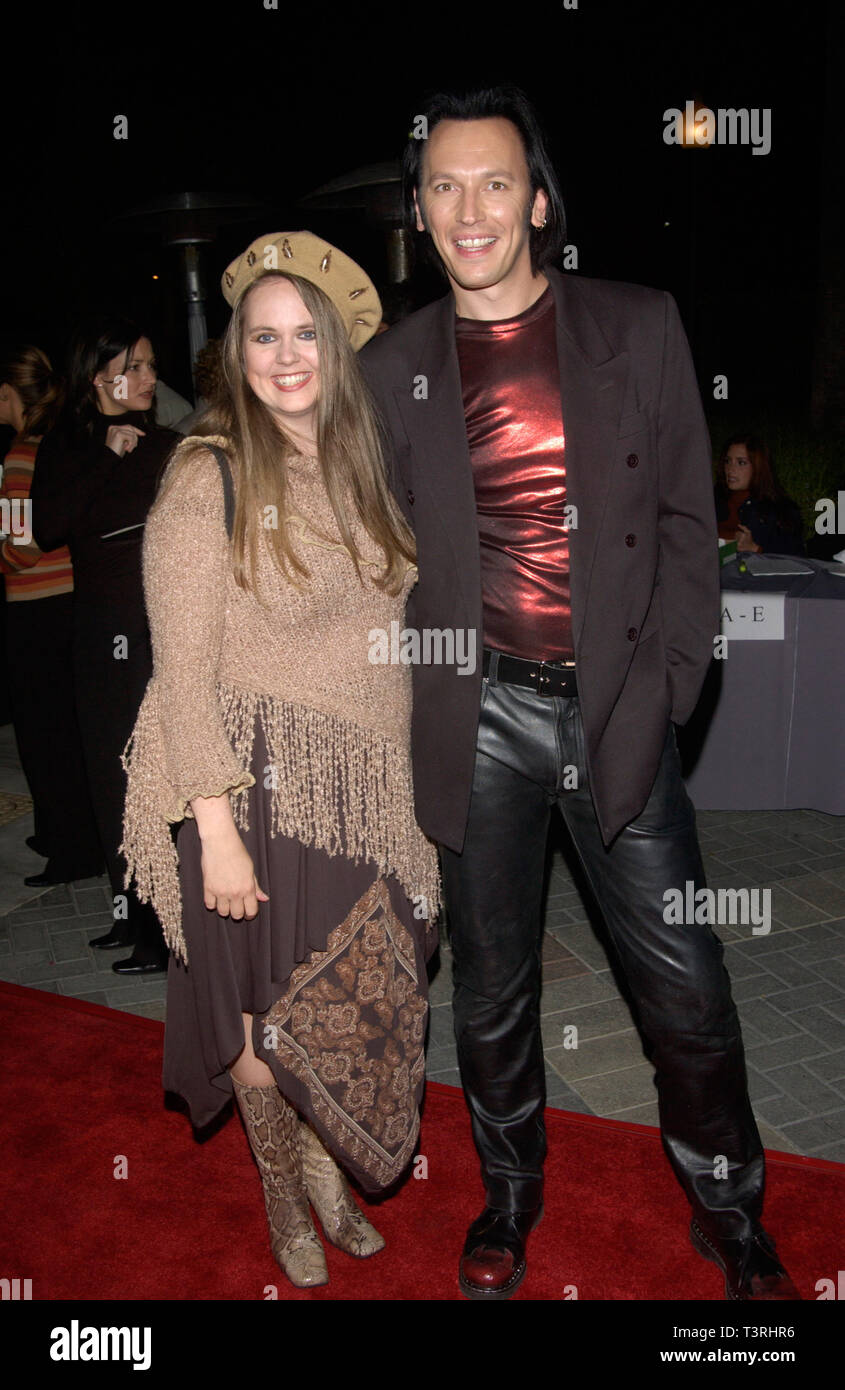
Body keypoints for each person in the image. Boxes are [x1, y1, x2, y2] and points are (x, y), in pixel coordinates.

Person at [359, 85, 799, 1302]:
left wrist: (661, 689)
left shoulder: (636, 323)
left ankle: (728, 1208)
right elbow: (359, 548)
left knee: (686, 989)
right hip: (475, 715)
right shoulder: (389, 367)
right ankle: (506, 1195)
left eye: (493, 180)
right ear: (418, 210)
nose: (468, 207)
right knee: (492, 990)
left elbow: (680, 522)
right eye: (442, 185)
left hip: (611, 712)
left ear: (538, 200)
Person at [120, 232, 440, 1289]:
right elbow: (182, 673)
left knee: (336, 992)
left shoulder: (359, 464)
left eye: (306, 334)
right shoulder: (205, 473)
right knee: (262, 1010)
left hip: (358, 796)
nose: (286, 354)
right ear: (235, 353)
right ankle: (284, 1193)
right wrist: (211, 830)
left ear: (338, 349)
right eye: (264, 335)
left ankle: (320, 1164)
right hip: (249, 792)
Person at [30, 320, 177, 973]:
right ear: (99, 377)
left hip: (153, 629)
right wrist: (102, 456)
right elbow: (46, 529)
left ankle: (159, 928)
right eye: (135, 367)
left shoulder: (169, 445)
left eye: (150, 365)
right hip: (96, 632)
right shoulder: (67, 446)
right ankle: (127, 915)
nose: (149, 379)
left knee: (149, 776)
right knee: (107, 778)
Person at [0, 345, 103, 884]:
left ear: (10, 394)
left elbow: (20, 546)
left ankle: (70, 851)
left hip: (35, 613)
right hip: (71, 604)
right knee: (70, 733)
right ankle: (69, 837)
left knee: (44, 740)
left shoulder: (20, 455)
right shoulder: (59, 446)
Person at [715, 435, 805, 556]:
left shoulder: (778, 511)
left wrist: (755, 549)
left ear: (758, 467)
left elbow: (795, 561)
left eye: (741, 463)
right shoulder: (713, 498)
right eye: (728, 461)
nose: (731, 469)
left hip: (743, 571)